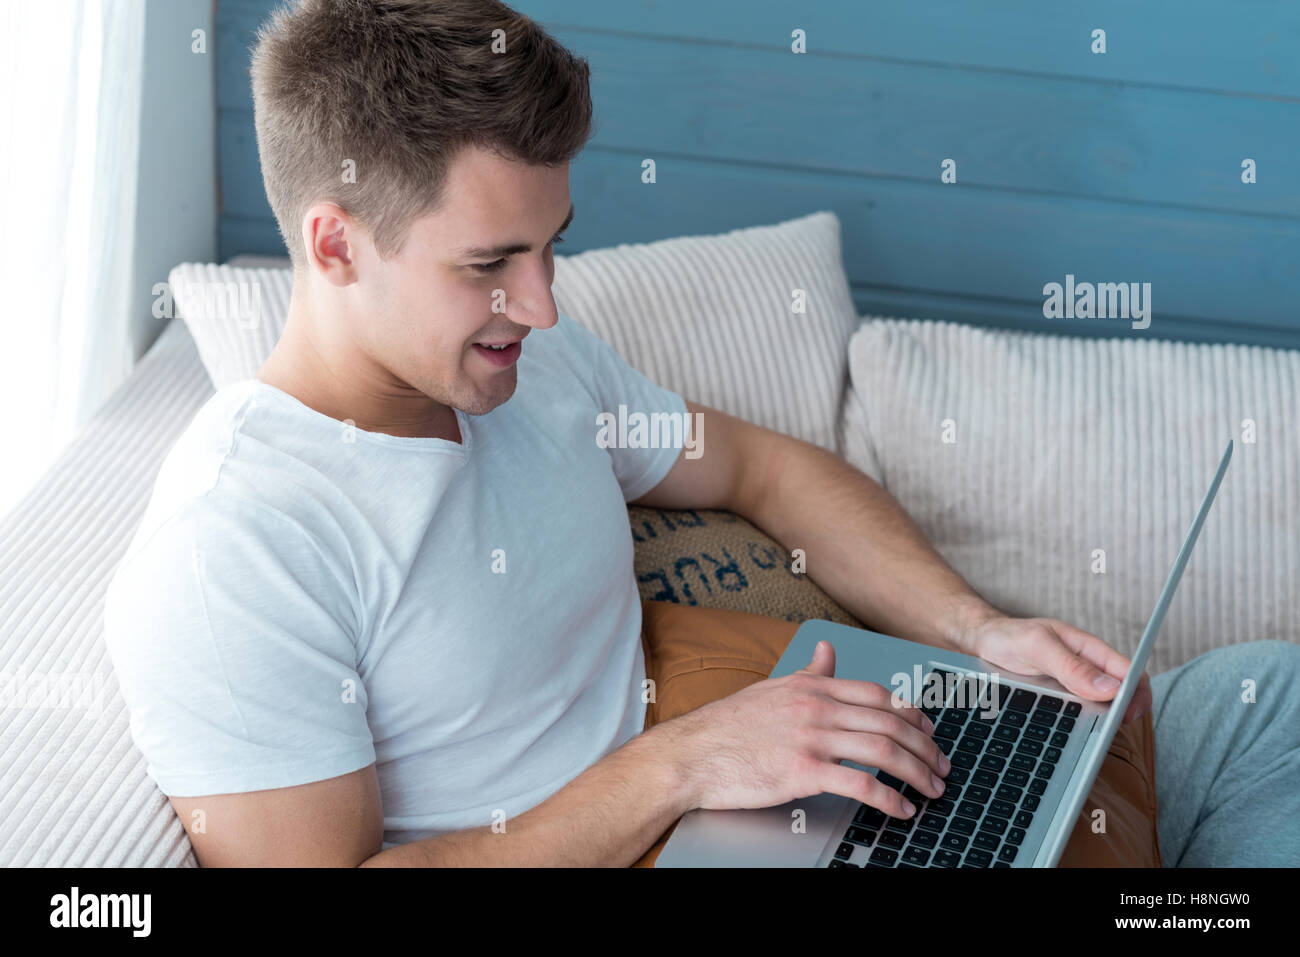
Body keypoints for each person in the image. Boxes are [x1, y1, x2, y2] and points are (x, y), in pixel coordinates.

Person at [103, 0, 1299, 868]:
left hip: (772, 788)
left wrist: (977, 628)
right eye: (489, 264)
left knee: (1266, 694)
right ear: (332, 243)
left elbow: (762, 467)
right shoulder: (233, 551)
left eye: (550, 243)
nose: (547, 303)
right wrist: (684, 766)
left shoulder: (533, 363)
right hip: (663, 819)